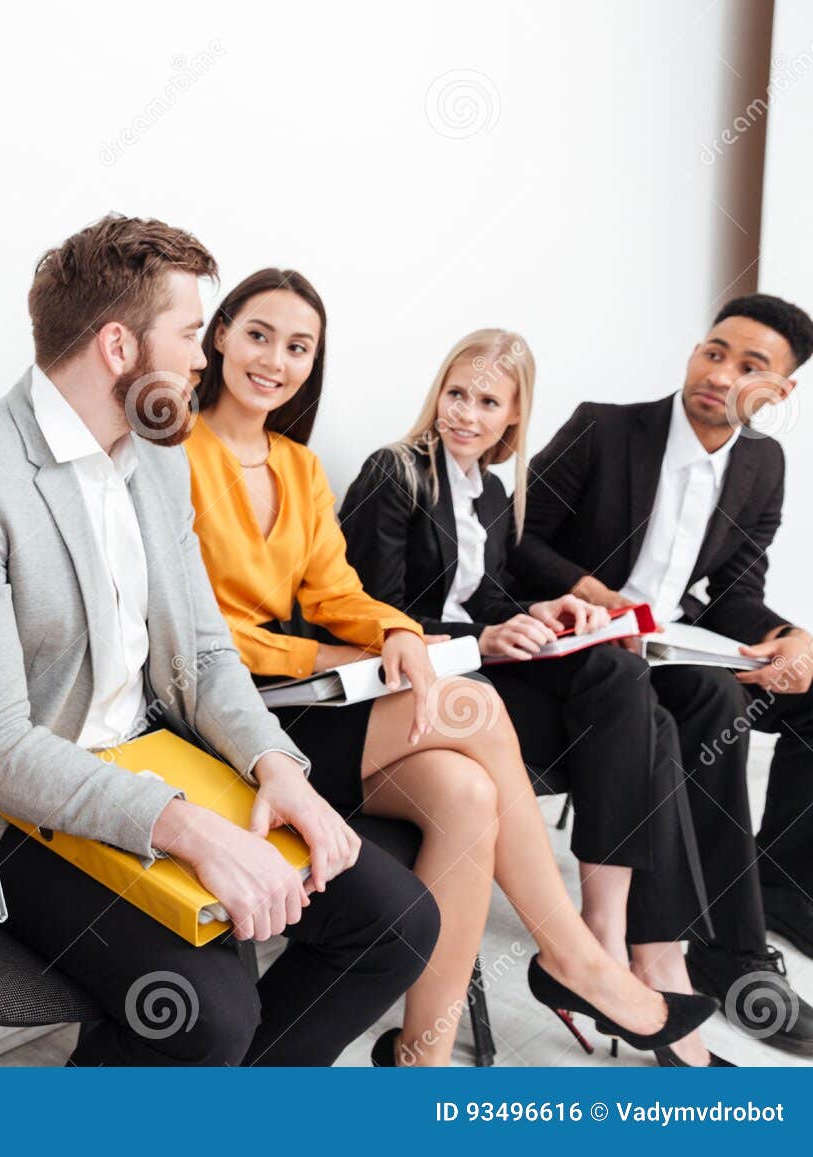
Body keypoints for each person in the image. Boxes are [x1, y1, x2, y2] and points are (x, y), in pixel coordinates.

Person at [0, 214, 440, 1066]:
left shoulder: (158, 455)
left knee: (398, 920)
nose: (200, 358)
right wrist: (183, 826)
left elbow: (207, 654)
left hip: (154, 761)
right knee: (203, 1013)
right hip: (13, 812)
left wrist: (277, 769)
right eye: (190, 333)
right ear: (119, 347)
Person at [184, 268, 715, 1066]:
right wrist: (343, 648)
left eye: (299, 346)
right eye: (258, 335)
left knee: (469, 793)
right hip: (237, 708)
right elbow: (196, 632)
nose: (275, 360)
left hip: (314, 691)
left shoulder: (295, 464)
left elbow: (336, 589)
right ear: (219, 334)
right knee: (473, 708)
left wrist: (393, 631)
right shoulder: (170, 455)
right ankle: (574, 958)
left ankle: (421, 1061)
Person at [338, 327, 722, 1065]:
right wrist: (481, 639)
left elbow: (486, 595)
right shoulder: (395, 473)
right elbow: (369, 614)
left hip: (474, 676)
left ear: (513, 416)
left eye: (488, 401)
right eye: (457, 393)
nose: (466, 414)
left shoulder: (490, 493)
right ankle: (607, 958)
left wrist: (542, 612)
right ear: (438, 391)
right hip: (416, 692)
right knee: (654, 732)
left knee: (623, 679)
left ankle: (605, 937)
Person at [514, 293, 813, 1057]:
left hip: (666, 647)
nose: (719, 373)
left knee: (753, 690)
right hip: (576, 646)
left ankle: (752, 931)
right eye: (714, 351)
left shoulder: (760, 463)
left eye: (750, 367)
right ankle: (679, 952)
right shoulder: (606, 429)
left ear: (780, 394)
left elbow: (735, 592)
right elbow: (517, 538)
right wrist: (587, 589)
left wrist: (788, 635)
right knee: (696, 697)